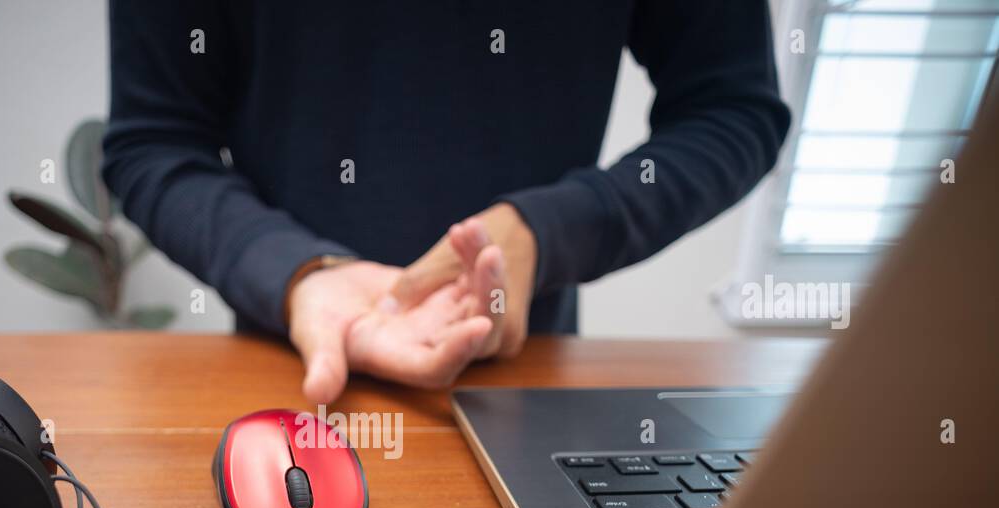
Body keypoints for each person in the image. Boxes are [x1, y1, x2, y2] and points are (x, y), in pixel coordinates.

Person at [103, 2, 790, 403]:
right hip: (289, 367)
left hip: (525, 381)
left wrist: (548, 231)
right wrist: (295, 271)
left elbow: (734, 109)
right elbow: (153, 141)